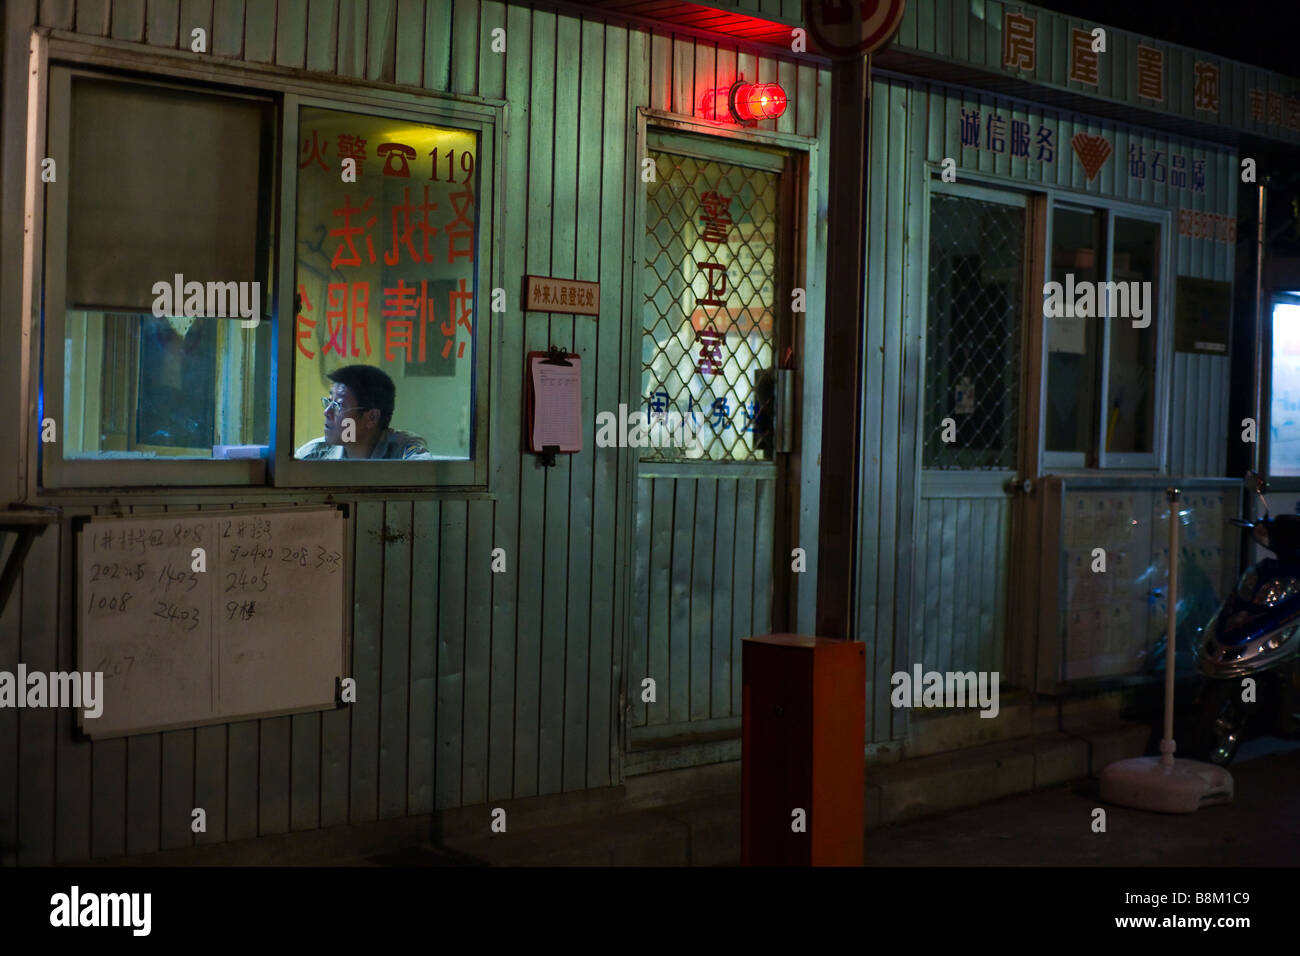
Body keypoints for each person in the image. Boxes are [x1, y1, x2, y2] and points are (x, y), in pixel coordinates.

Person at [294, 365, 433, 460]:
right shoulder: (313, 455)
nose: (327, 412)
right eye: (329, 401)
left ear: (371, 418)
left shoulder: (401, 450)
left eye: (339, 405)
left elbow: (424, 474)